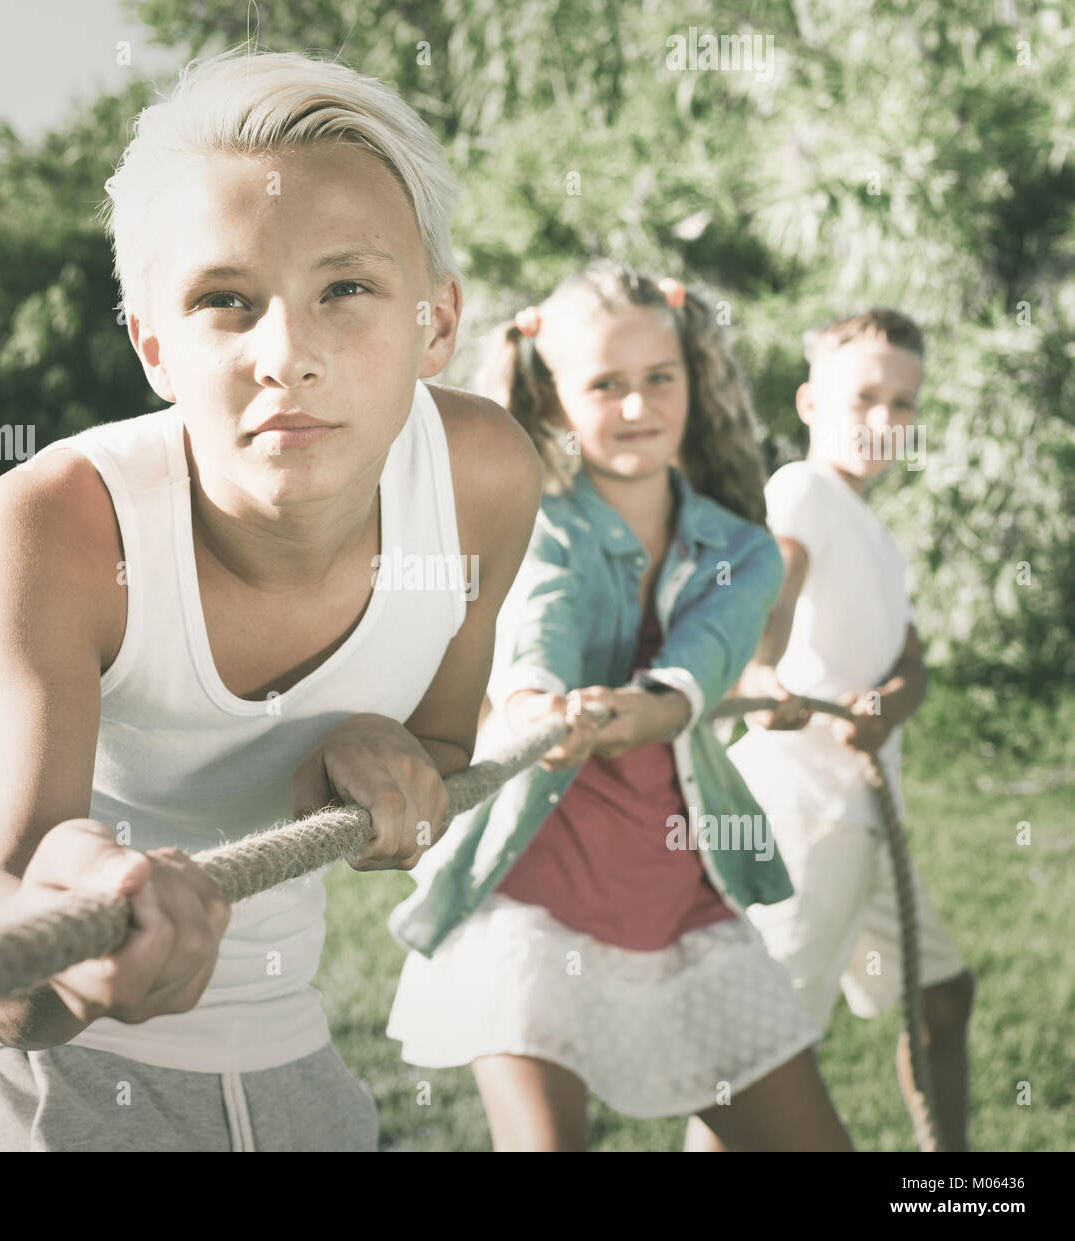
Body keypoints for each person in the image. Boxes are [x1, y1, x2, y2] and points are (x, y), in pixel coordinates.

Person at [0, 47, 543, 1152]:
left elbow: (441, 738)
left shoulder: (482, 474)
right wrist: (82, 932)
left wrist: (381, 743)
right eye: (224, 301)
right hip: (26, 1059)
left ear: (437, 323)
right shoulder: (55, 526)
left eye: (347, 288)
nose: (285, 356)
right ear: (154, 345)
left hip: (277, 1017)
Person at [386, 262, 852, 1151]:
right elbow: (541, 609)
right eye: (606, 384)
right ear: (555, 396)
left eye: (657, 378)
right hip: (530, 889)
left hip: (679, 888)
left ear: (690, 375)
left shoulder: (744, 548)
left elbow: (708, 651)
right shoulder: (537, 516)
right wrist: (533, 700)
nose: (637, 405)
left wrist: (658, 704)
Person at [703, 308, 974, 1152]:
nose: (887, 421)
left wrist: (891, 700)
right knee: (764, 1049)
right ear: (813, 401)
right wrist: (760, 671)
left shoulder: (881, 538)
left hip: (865, 814)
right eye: (866, 397)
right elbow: (773, 594)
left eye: (905, 404)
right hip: (807, 814)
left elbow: (912, 660)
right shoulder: (803, 490)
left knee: (943, 994)